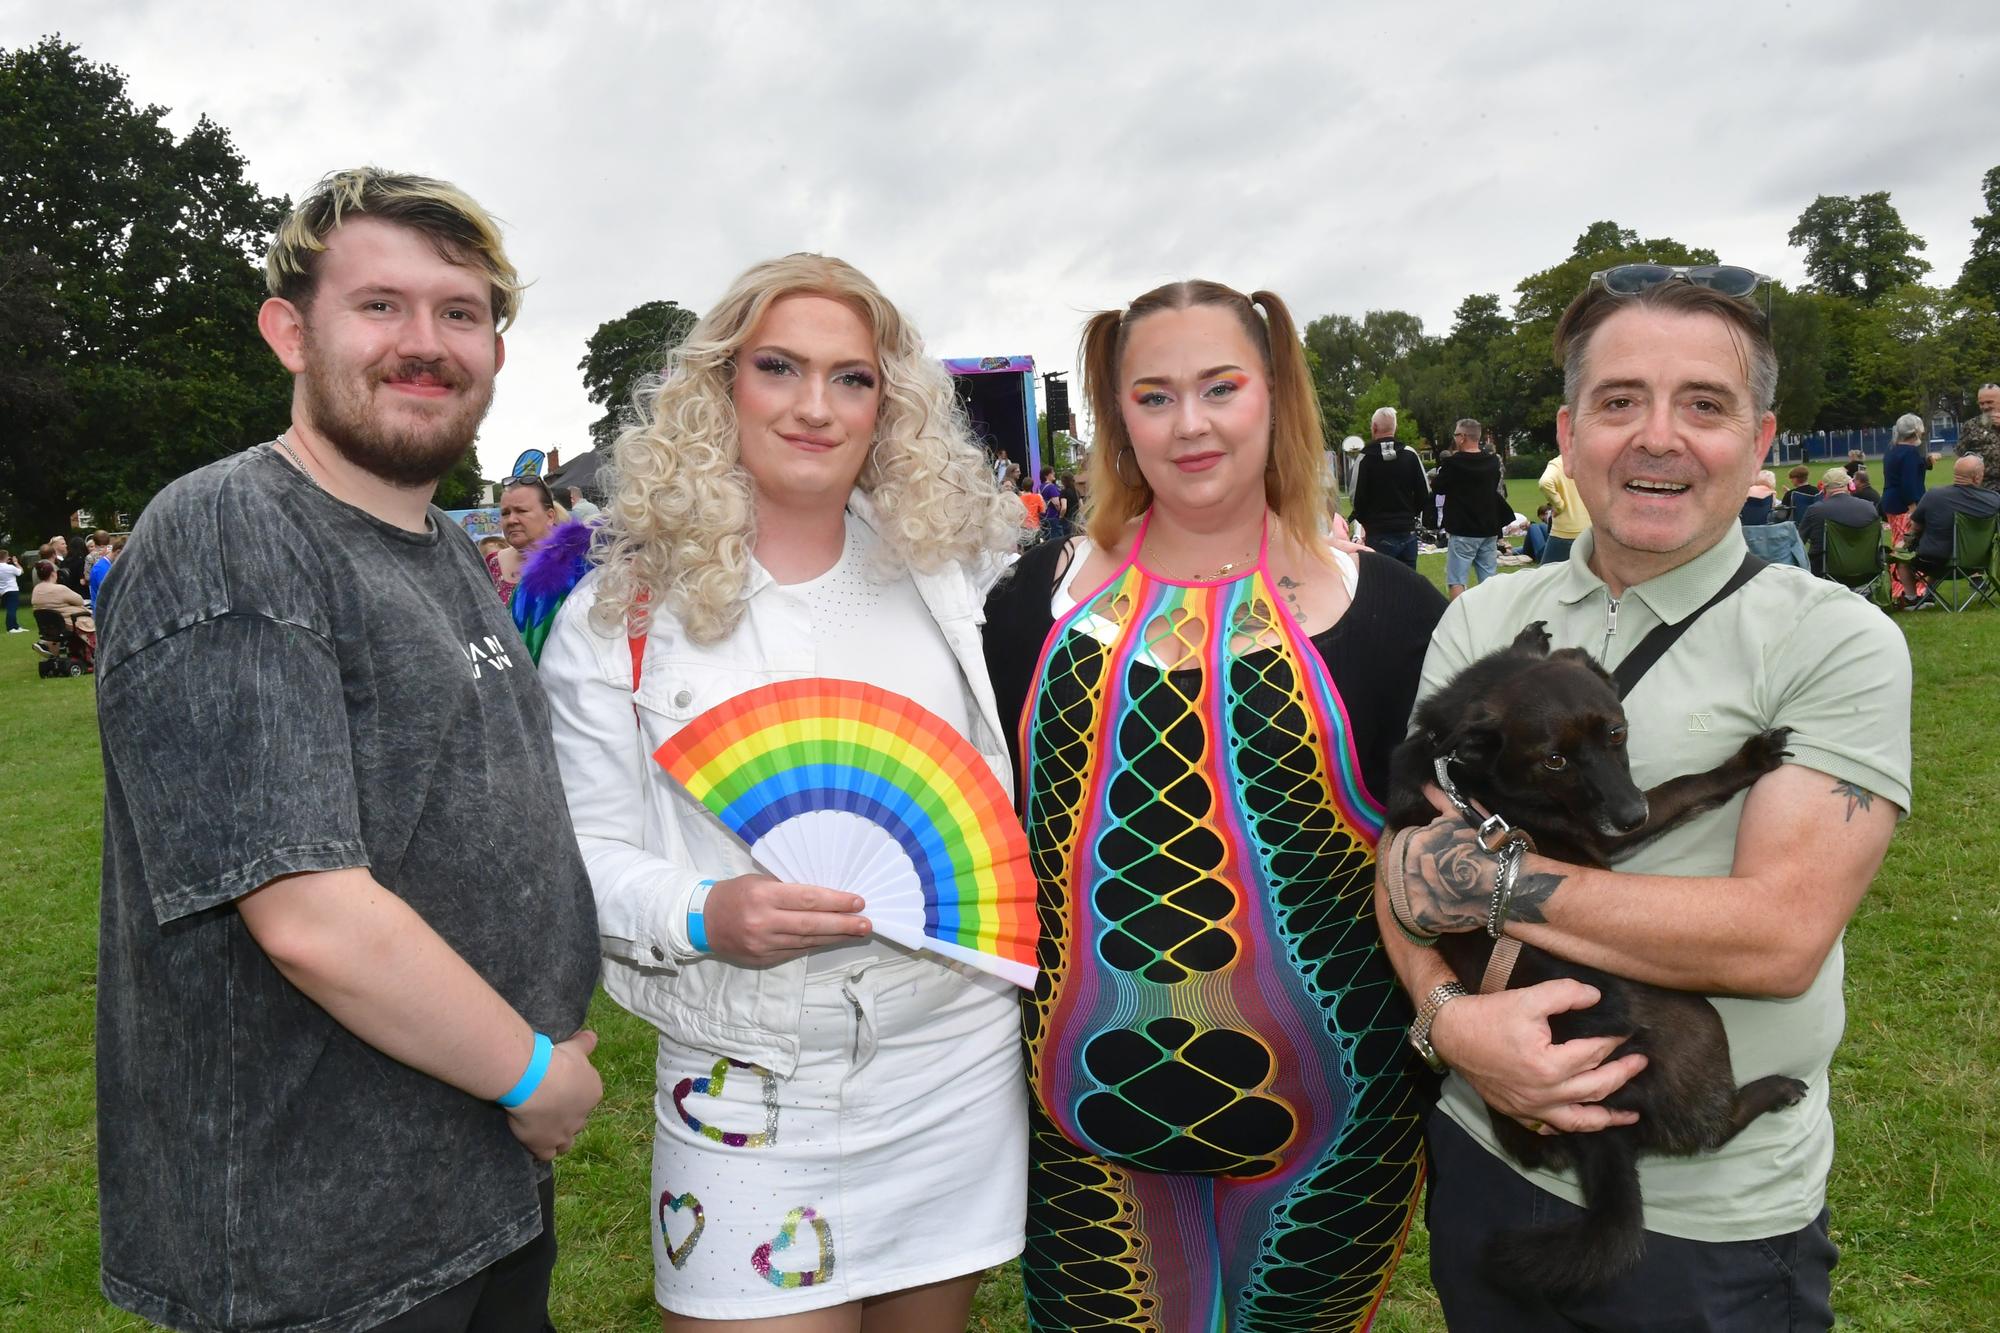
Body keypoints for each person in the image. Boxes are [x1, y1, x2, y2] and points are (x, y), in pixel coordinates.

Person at [92, 167, 602, 1332]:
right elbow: (310, 909)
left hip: (477, 1190)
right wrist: (534, 1075)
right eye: (380, 306)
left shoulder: (433, 549)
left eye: (459, 313)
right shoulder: (235, 530)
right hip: (322, 1253)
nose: (425, 344)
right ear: (290, 331)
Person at [1378, 264, 1909, 1330]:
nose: (1656, 438)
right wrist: (1447, 1021)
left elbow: (1771, 939)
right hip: (1487, 1153)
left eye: (1702, 405)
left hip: (1703, 1220)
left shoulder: (1833, 641)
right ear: (1567, 438)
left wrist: (1482, 878)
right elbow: (1395, 871)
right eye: (1620, 401)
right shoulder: (1487, 618)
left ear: (1759, 444)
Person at [537, 254, 1028, 1329]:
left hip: (946, 1052)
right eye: (778, 368)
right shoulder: (619, 611)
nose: (815, 406)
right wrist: (704, 912)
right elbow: (577, 851)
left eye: (851, 378)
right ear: (721, 389)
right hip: (738, 1065)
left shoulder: (960, 585)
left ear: (888, 404)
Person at [982, 279, 1445, 1329]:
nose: (1187, 424)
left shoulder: (1390, 614)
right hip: (1081, 1136)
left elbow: (1446, 859)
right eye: (1151, 396)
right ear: (1116, 418)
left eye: (1218, 387)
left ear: (1274, 395)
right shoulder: (1023, 603)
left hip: (1338, 1134)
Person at [1897, 454, 2000, 604]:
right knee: (1942, 546)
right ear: (1977, 477)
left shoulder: (1934, 496)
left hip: (1935, 563)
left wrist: (1904, 544)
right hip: (1978, 563)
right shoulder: (1994, 500)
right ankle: (1929, 593)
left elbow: (1915, 529)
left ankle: (1911, 598)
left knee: (1902, 553)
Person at [1347, 406, 1431, 567]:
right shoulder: (1410, 454)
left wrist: (1366, 521)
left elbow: (1356, 497)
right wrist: (1410, 513)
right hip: (1406, 530)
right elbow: (1424, 492)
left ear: (1374, 427)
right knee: (1408, 583)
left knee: (1382, 583)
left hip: (1378, 532)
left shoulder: (1365, 458)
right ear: (1395, 427)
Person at [1435, 416, 1508, 598]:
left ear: (1462, 437)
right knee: (1489, 578)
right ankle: (1491, 617)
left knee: (1457, 579)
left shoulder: (1453, 463)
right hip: (1489, 527)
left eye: (1455, 435)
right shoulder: (1492, 462)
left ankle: (1460, 620)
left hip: (1463, 529)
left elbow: (1437, 487)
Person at [1881, 413, 1931, 607]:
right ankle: (1910, 591)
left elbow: (1907, 470)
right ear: (1915, 430)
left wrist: (1926, 463)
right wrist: (1914, 509)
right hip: (1904, 506)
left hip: (1892, 503)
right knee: (1907, 547)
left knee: (1899, 543)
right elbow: (1908, 482)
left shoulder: (1894, 450)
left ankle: (1901, 588)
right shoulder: (1909, 452)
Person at [489, 474, 561, 602]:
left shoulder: (576, 563)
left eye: (521, 511)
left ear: (550, 516)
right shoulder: (491, 564)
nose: (511, 520)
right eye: (505, 513)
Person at [1796, 466, 1877, 576]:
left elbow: (1799, 542)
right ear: (1848, 486)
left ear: (1823, 490)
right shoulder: (1869, 507)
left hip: (1825, 572)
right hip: (1866, 572)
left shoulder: (1815, 511)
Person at [1536, 453, 1590, 563]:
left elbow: (1544, 482)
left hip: (1566, 532)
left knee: (1547, 577)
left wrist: (1559, 505)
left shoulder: (1559, 463)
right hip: (1592, 532)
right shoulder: (1593, 461)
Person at [31, 558, 95, 635]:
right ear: (53, 574)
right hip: (69, 623)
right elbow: (79, 600)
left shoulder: (36, 589)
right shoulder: (59, 589)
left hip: (50, 626)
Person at [1956, 381, 2000, 480]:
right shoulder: (1971, 426)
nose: (1985, 407)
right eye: (1981, 403)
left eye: (1989, 402)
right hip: (1981, 489)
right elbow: (1960, 457)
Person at [0, 549, 21, 632]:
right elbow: (20, 572)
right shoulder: (10, 567)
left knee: (11, 608)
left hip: (3, 591)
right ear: (6, 557)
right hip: (12, 589)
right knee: (12, 609)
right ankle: (11, 627)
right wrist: (16, 562)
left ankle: (16, 626)